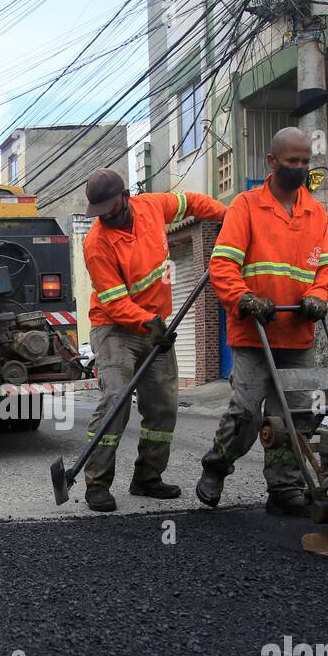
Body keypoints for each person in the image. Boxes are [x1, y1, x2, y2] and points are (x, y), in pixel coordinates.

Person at [196, 127, 328, 515]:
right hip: (253, 331)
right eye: (293, 162)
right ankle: (216, 466)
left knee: (295, 416)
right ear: (272, 163)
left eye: (306, 162)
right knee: (245, 412)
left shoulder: (315, 211)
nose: (300, 168)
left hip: (298, 331)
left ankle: (283, 489)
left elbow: (326, 265)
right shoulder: (246, 206)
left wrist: (317, 296)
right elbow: (222, 264)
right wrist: (244, 298)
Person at [80, 168, 227, 512]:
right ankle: (97, 481)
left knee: (163, 404)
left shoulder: (153, 206)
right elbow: (115, 303)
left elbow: (192, 202)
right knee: (116, 397)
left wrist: (231, 218)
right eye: (97, 211)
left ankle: (147, 477)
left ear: (125, 196)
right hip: (115, 329)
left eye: (108, 207)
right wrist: (147, 322)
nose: (103, 216)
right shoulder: (96, 244)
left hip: (155, 326)